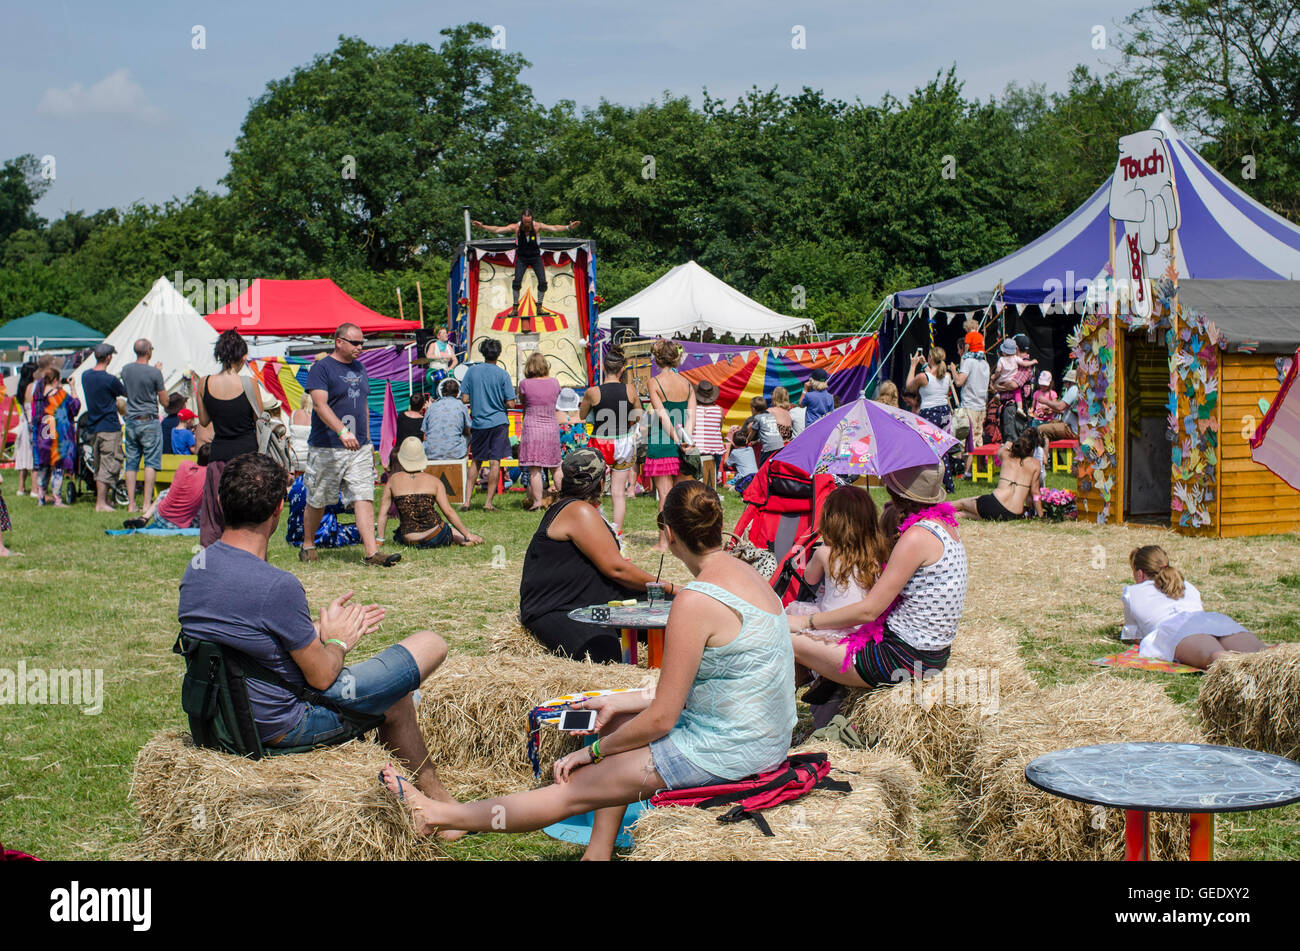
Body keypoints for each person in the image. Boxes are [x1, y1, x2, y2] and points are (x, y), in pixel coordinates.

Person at [384, 479, 796, 860]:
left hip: (727, 752)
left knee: (573, 789)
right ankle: (596, 853)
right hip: (765, 740)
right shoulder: (746, 575)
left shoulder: (694, 602)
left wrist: (592, 752)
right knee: (616, 725)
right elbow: (716, 683)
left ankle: (439, 815)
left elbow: (663, 717)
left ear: (668, 534)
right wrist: (618, 701)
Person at [178, 453, 459, 821]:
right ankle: (445, 810)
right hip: (276, 730)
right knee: (427, 650)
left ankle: (425, 800)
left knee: (398, 684)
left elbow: (247, 637)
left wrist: (313, 631)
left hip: (221, 724)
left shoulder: (196, 570)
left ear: (219, 500)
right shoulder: (277, 586)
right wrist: (338, 641)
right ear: (279, 509)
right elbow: (323, 675)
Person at [789, 464, 967, 693]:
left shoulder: (916, 537)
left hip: (902, 659)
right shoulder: (943, 526)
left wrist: (806, 622)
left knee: (782, 638)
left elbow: (868, 611)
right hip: (931, 655)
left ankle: (788, 716)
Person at [519, 449, 679, 662]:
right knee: (602, 650)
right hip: (558, 609)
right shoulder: (579, 511)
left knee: (674, 609)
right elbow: (616, 569)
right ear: (602, 483)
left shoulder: (573, 507)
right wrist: (669, 587)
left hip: (592, 600)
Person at [301, 324, 397, 567]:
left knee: (363, 496)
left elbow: (362, 402)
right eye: (355, 343)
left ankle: (371, 553)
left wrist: (368, 439)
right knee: (318, 499)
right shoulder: (321, 369)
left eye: (362, 343)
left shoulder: (361, 368)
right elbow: (320, 405)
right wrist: (342, 431)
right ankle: (308, 545)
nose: (360, 347)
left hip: (360, 447)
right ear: (338, 341)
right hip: (327, 446)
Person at [1122, 546, 1266, 668]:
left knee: (1218, 658)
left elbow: (1136, 637)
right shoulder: (1187, 585)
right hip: (1211, 620)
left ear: (1140, 574)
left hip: (1175, 630)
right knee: (1264, 654)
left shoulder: (1132, 593)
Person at [785, 485, 890, 640]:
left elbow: (809, 578)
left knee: (790, 613)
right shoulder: (879, 553)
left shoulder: (825, 553)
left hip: (829, 625)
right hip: (864, 629)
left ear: (830, 520)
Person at [194, 331, 261, 548]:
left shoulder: (204, 383)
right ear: (242, 356)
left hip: (219, 455)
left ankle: (215, 556)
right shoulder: (249, 383)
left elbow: (204, 421)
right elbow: (258, 419)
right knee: (247, 512)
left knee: (216, 515)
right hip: (247, 457)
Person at [376, 437, 484, 549]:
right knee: (446, 527)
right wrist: (468, 534)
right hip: (435, 535)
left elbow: (383, 513)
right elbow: (448, 512)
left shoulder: (393, 480)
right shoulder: (434, 481)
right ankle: (462, 539)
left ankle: (459, 538)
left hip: (409, 539)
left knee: (398, 532)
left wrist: (379, 540)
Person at [471, 211, 580, 317]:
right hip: (522, 258)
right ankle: (515, 308)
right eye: (525, 222)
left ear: (531, 219)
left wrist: (568, 227)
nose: (527, 224)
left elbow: (554, 228)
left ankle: (539, 307)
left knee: (543, 282)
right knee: (517, 282)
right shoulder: (516, 227)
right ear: (522, 220)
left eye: (529, 222)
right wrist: (482, 227)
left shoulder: (537, 226)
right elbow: (498, 229)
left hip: (535, 257)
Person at [580, 348, 642, 534]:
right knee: (618, 492)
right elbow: (639, 415)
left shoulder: (592, 392)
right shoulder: (630, 389)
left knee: (592, 490)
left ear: (603, 369)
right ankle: (617, 532)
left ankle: (592, 528)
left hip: (601, 442)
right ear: (622, 370)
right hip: (623, 442)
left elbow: (583, 415)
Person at [645, 339, 696, 551]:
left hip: (662, 442)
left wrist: (675, 439)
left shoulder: (654, 382)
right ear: (676, 358)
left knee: (665, 495)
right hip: (684, 444)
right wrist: (687, 440)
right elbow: (692, 416)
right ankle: (685, 541)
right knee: (683, 496)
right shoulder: (687, 383)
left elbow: (662, 416)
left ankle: (663, 542)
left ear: (657, 359)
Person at [460, 337, 517, 512]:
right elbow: (511, 403)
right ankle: (488, 503)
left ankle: (467, 502)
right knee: (494, 462)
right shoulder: (502, 374)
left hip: (478, 422)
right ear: (498, 354)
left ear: (483, 353)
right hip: (498, 422)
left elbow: (464, 398)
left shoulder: (472, 372)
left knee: (475, 461)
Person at [952, 427, 1044, 521]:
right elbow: (1035, 493)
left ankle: (937, 508)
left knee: (962, 503)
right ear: (1032, 450)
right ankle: (961, 515)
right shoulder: (1035, 464)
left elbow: (1002, 449)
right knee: (982, 512)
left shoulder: (1006, 455)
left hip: (994, 504)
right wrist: (1041, 516)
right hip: (1013, 514)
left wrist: (1008, 445)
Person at [121, 338, 169, 514]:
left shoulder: (126, 370)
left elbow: (126, 391)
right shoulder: (154, 373)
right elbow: (164, 400)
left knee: (131, 463)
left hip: (131, 419)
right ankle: (147, 503)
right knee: (151, 462)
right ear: (148, 351)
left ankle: (131, 503)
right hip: (149, 419)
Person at [80, 344, 126, 513]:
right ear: (108, 357)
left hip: (93, 426)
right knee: (109, 463)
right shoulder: (110, 380)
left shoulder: (86, 376)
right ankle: (101, 503)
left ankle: (105, 499)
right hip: (109, 426)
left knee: (99, 463)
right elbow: (124, 392)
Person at [125, 443, 210, 530]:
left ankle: (145, 517)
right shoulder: (209, 476)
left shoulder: (185, 465)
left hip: (160, 517)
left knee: (166, 492)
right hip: (179, 525)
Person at [907, 347, 956, 492]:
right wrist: (924, 365)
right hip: (944, 413)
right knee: (941, 450)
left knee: (925, 449)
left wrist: (913, 366)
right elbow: (934, 375)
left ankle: (924, 482)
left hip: (929, 414)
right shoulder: (946, 375)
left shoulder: (923, 377)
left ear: (930, 358)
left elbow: (909, 387)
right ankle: (949, 484)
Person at [518, 351, 562, 512]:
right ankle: (565, 499)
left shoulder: (525, 384)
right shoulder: (555, 383)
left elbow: (523, 403)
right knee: (556, 466)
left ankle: (537, 502)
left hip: (532, 428)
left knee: (534, 468)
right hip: (551, 426)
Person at [31, 364, 80, 507]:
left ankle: (41, 498)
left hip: (44, 434)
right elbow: (75, 407)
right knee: (58, 468)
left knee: (43, 467)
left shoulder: (38, 394)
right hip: (57, 438)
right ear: (55, 380)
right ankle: (57, 499)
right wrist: (73, 387)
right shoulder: (60, 395)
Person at [951, 335, 990, 479]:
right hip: (981, 405)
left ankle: (967, 471)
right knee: (978, 438)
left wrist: (954, 370)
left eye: (958, 349)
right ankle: (979, 468)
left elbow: (959, 382)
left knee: (968, 439)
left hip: (970, 405)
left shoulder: (969, 362)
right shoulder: (984, 363)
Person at [422, 378, 471, 461]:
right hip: (455, 453)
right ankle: (464, 464)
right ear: (457, 393)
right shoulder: (461, 406)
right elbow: (468, 429)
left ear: (442, 392)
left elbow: (425, 432)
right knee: (469, 436)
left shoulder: (432, 406)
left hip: (431, 453)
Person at [691, 380, 726, 488]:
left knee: (696, 474)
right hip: (714, 447)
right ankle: (712, 488)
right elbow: (719, 428)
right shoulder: (719, 410)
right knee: (712, 473)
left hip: (697, 446)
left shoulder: (693, 410)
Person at [1036, 368, 1080, 443]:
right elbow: (1063, 409)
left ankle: (1044, 454)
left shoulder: (1074, 389)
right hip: (1072, 426)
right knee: (1048, 425)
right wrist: (1050, 409)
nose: (1065, 384)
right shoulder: (1076, 389)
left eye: (1065, 382)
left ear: (1069, 382)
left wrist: (1045, 401)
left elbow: (1060, 407)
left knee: (1040, 429)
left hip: (1072, 429)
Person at [747, 397, 785, 465]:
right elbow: (768, 433)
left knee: (762, 465)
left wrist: (747, 440)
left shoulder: (757, 418)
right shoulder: (771, 416)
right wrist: (756, 441)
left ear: (753, 409)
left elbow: (752, 433)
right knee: (774, 464)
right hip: (780, 444)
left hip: (768, 447)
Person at [726, 426, 759, 493]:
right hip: (755, 477)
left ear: (734, 443)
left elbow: (727, 463)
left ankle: (735, 488)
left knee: (726, 485)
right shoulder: (750, 449)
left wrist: (728, 448)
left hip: (745, 478)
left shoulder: (734, 452)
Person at [160, 392, 186, 457]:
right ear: (182, 406)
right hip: (179, 457)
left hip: (164, 457)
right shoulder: (181, 422)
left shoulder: (164, 422)